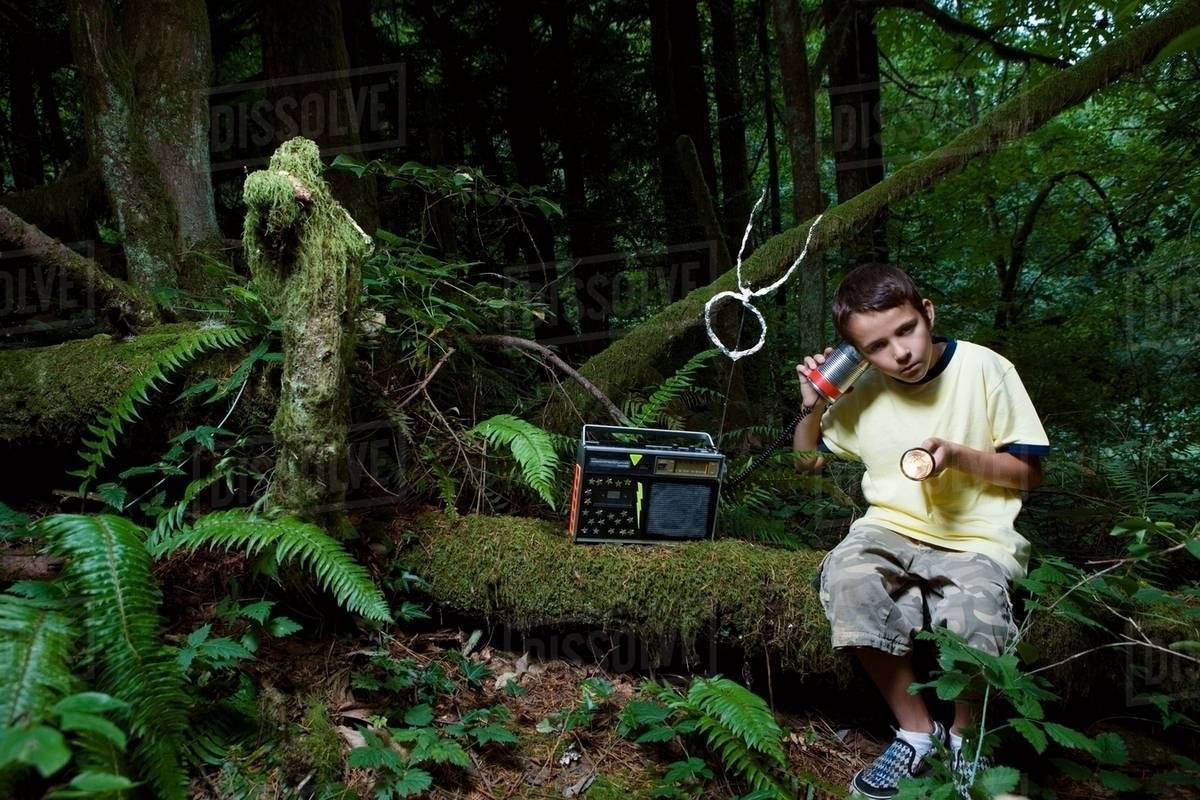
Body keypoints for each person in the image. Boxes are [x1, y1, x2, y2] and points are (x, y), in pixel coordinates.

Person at [794, 263, 1048, 799]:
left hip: (976, 537)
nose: (900, 353)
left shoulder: (986, 369)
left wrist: (958, 456)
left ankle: (964, 738)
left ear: (927, 313)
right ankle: (915, 731)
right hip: (890, 526)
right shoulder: (861, 391)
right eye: (878, 347)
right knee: (847, 578)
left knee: (976, 620)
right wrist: (812, 406)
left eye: (906, 330)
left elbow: (1029, 470)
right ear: (860, 356)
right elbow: (806, 461)